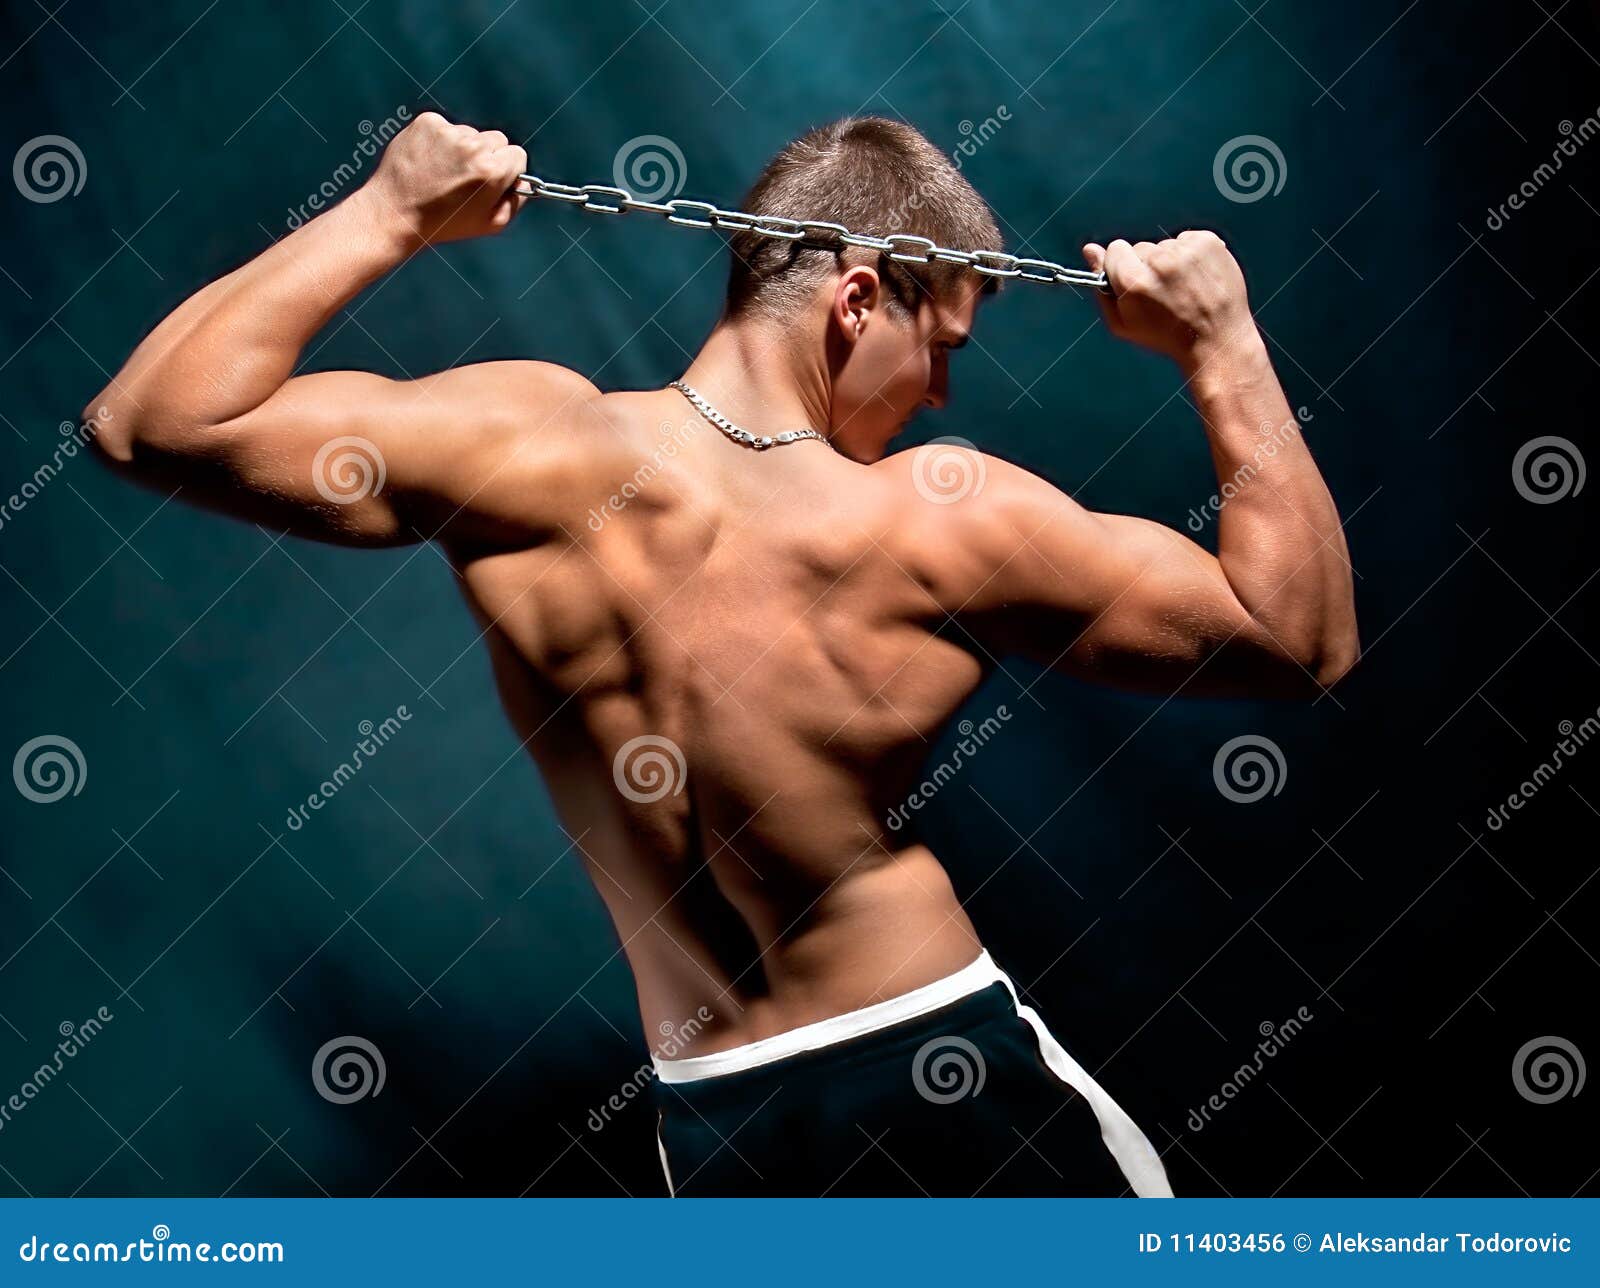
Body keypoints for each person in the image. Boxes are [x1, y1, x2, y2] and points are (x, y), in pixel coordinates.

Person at [86, 111, 1358, 1197]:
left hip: (721, 1126)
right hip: (950, 1085)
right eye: (943, 351)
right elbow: (1299, 638)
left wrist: (388, 212)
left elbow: (152, 421)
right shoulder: (936, 514)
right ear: (862, 296)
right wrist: (1220, 346)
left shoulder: (531, 448)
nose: (939, 399)